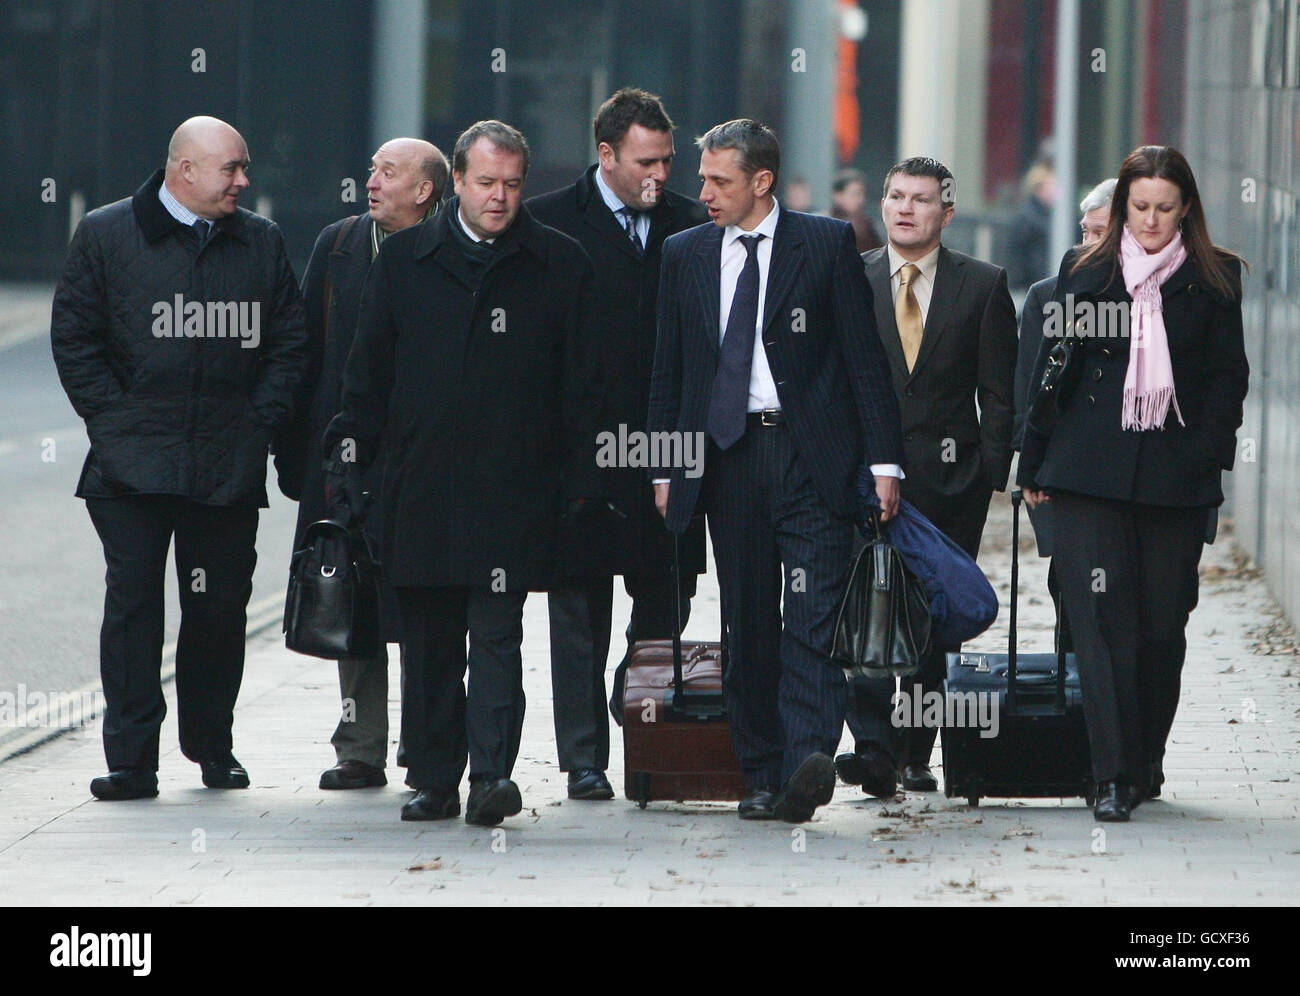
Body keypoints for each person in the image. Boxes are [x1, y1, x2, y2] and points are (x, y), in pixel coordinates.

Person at [323, 120, 603, 826]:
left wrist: (580, 488)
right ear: (456, 181)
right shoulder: (405, 260)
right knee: (429, 644)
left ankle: (490, 778)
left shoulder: (558, 263)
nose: (499, 197)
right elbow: (367, 377)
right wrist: (351, 463)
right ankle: (435, 778)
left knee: (498, 636)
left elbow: (582, 390)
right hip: (422, 486)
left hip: (516, 489)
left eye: (512, 184)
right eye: (485, 183)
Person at [648, 119, 904, 823]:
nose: (703, 192)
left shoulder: (824, 244)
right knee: (749, 623)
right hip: (727, 459)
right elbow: (669, 368)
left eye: (719, 180)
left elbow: (863, 360)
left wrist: (885, 462)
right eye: (702, 178)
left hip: (810, 458)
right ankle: (760, 772)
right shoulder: (684, 253)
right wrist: (664, 466)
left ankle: (803, 767)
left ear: (761, 182)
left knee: (814, 620)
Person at [51, 116, 307, 800]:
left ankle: (212, 747)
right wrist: (114, 424)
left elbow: (290, 341)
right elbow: (74, 338)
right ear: (185, 170)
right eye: (232, 168)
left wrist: (258, 423)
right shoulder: (105, 233)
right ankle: (132, 761)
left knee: (218, 611)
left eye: (245, 167)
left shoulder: (260, 240)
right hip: (128, 468)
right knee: (134, 612)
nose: (244, 180)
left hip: (225, 463)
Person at [1018, 145, 1249, 822]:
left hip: (1175, 478)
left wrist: (1207, 455)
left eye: (1164, 209)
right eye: (1139, 207)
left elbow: (1227, 379)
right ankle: (1112, 776)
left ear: (1186, 210)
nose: (1150, 221)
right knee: (1098, 624)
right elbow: (1054, 368)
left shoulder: (1215, 279)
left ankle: (1145, 759)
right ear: (1123, 206)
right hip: (1087, 469)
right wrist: (1033, 463)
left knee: (1160, 628)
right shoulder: (1086, 269)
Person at [526, 88, 708, 801]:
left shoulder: (691, 224)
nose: (659, 175)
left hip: (670, 448)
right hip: (582, 451)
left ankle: (631, 692)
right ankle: (583, 760)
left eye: (666, 161)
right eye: (644, 163)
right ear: (605, 155)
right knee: (577, 611)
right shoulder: (548, 223)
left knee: (669, 598)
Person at [838, 157, 1017, 798]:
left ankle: (917, 752)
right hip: (865, 481)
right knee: (868, 606)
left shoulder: (983, 285)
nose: (905, 208)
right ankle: (874, 750)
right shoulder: (850, 278)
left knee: (932, 618)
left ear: (947, 212)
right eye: (895, 196)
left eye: (920, 199)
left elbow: (1000, 394)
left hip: (950, 484)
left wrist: (986, 475)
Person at [274, 138, 448, 791]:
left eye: (387, 173)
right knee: (353, 596)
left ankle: (426, 743)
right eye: (372, 169)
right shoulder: (339, 244)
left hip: (424, 457)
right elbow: (304, 352)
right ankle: (360, 747)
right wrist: (296, 455)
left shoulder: (452, 249)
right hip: (346, 456)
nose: (370, 181)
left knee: (426, 604)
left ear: (424, 191)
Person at [1006, 162, 1057, 292]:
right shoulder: (1029, 218)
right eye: (1052, 185)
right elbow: (1018, 257)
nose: (1056, 190)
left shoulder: (1051, 216)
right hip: (1031, 284)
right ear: (1039, 188)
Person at [831, 168, 883, 252]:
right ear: (838, 195)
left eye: (862, 194)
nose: (861, 200)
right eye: (855, 194)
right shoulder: (828, 225)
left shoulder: (866, 224)